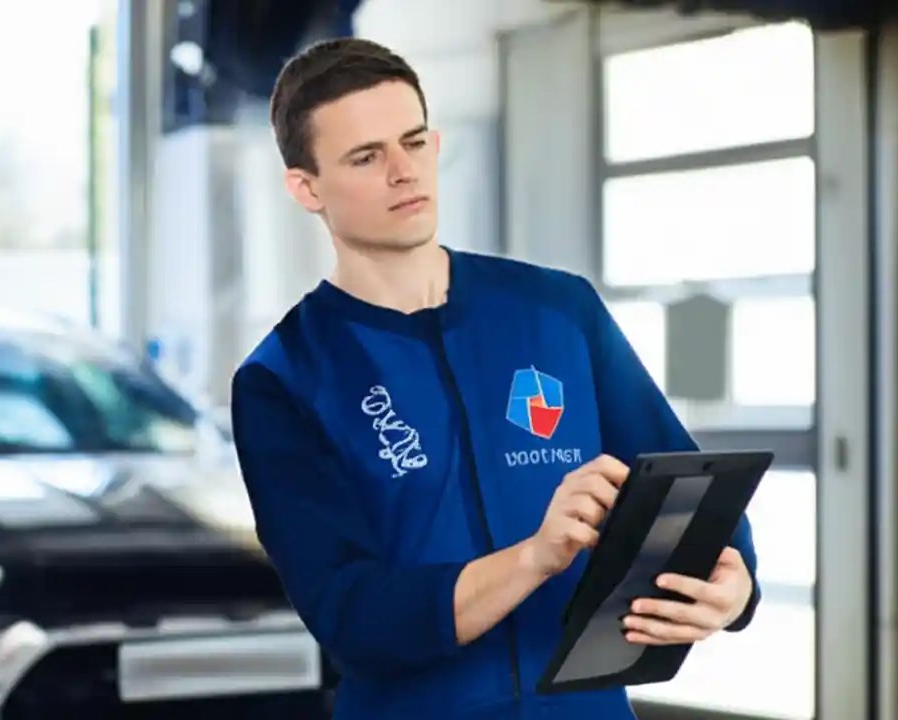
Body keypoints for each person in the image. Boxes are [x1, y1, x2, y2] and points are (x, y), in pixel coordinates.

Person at [228, 37, 760, 720]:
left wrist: (733, 586)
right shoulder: (284, 380)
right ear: (306, 187)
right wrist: (536, 557)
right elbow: (353, 618)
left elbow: (688, 486)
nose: (403, 171)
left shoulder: (558, 312)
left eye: (414, 142)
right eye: (367, 156)